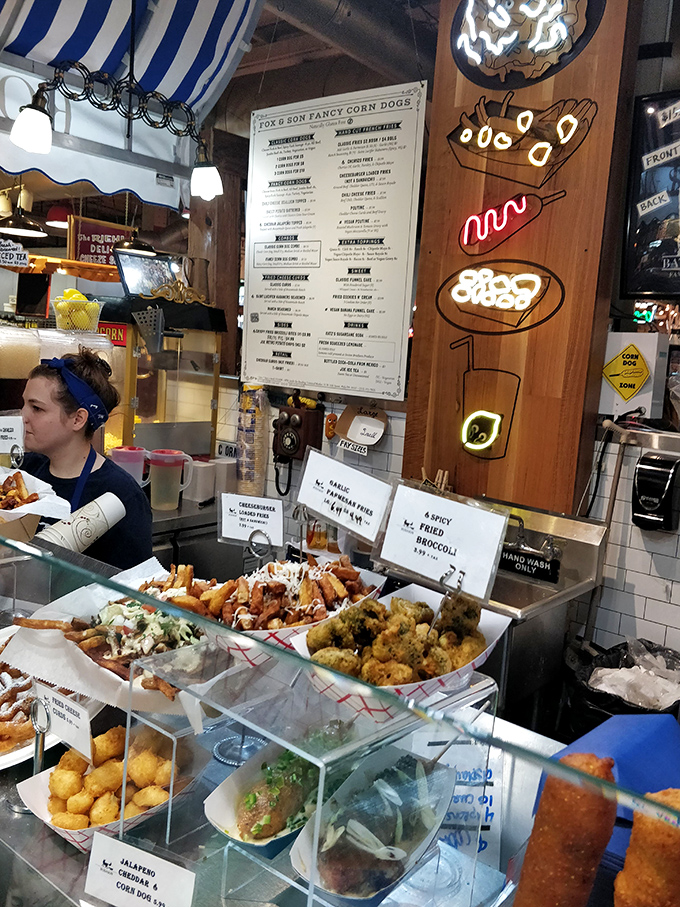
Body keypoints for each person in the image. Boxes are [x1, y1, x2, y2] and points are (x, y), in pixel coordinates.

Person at [21, 349, 153, 570]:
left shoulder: (121, 494)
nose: (23, 416)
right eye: (24, 404)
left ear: (78, 419)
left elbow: (135, 590)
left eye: (36, 408)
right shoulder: (25, 471)